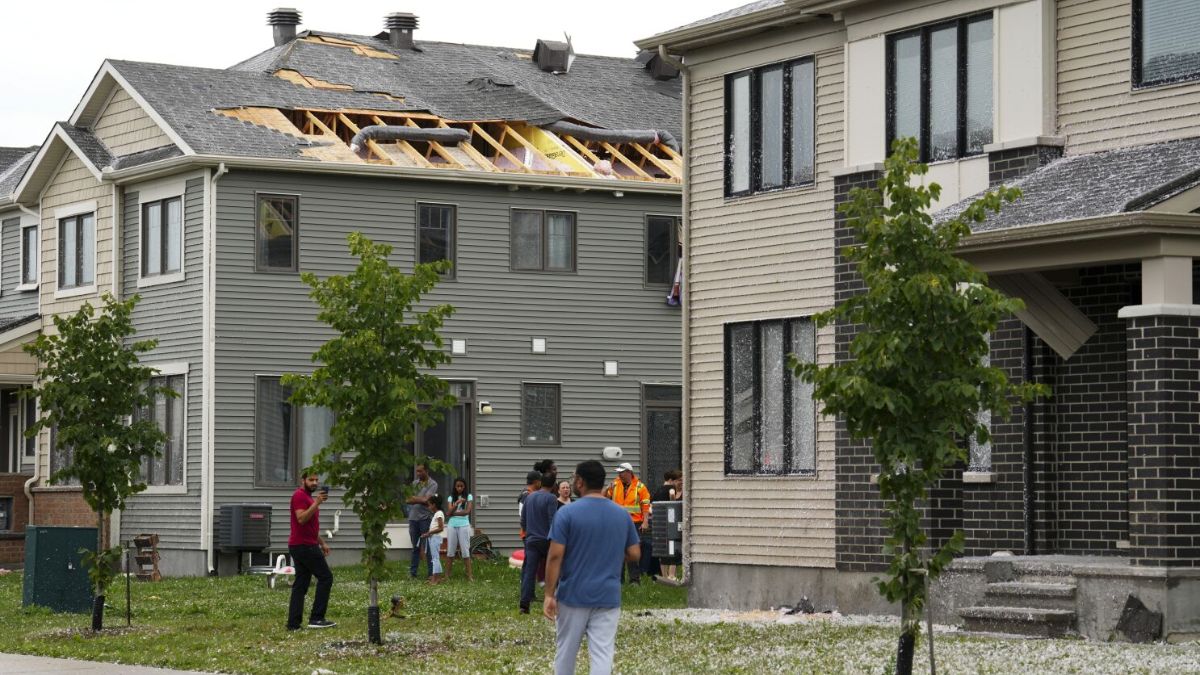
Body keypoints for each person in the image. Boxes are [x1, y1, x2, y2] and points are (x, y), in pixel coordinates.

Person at [544, 460, 640, 675]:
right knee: (602, 654)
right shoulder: (622, 514)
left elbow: (555, 555)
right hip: (608, 595)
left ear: (580, 482)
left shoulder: (567, 513)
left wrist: (549, 594)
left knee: (566, 651)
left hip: (573, 595)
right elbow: (635, 554)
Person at [287, 471, 336, 630]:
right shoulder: (300, 496)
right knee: (326, 577)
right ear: (303, 480)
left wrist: (322, 543)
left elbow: (310, 527)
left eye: (316, 480)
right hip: (304, 546)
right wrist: (317, 503)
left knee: (301, 584)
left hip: (303, 544)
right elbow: (301, 519)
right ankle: (317, 618)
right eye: (311, 480)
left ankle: (293, 624)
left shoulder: (308, 497)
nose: (315, 483)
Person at [519, 469, 560, 614]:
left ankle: (524, 604)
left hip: (531, 539)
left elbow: (523, 519)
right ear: (554, 485)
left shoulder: (529, 497)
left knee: (529, 572)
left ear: (541, 483)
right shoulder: (551, 499)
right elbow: (552, 521)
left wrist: (528, 531)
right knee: (554, 569)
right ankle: (556, 598)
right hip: (546, 540)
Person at [604, 462, 651, 583]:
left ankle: (634, 580)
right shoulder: (614, 484)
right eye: (618, 472)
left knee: (632, 551)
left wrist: (645, 521)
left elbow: (645, 505)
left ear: (629, 473)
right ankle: (619, 580)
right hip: (617, 522)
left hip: (634, 523)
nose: (619, 474)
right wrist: (606, 488)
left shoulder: (640, 487)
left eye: (621, 472)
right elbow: (604, 498)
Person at [406, 463, 438, 579]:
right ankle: (413, 573)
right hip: (413, 519)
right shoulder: (414, 484)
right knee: (415, 547)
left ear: (426, 471)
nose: (418, 473)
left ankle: (431, 574)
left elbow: (427, 500)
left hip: (425, 519)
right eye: (417, 471)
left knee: (428, 547)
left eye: (420, 471)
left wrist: (415, 499)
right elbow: (407, 499)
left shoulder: (433, 484)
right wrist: (419, 499)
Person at [651, 469, 683, 580]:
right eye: (677, 481)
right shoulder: (670, 488)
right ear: (671, 480)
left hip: (659, 522)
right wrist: (673, 503)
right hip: (670, 521)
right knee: (672, 547)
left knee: (662, 550)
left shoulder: (658, 490)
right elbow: (672, 494)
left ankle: (664, 575)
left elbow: (652, 505)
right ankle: (671, 575)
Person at [445, 478, 474, 581]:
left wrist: (453, 513)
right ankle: (447, 575)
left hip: (464, 525)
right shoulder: (450, 498)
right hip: (452, 525)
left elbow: (467, 511)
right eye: (458, 486)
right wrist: (456, 503)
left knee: (465, 551)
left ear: (464, 486)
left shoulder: (469, 496)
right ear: (455, 486)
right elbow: (449, 511)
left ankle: (469, 576)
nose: (459, 488)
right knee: (450, 551)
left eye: (461, 486)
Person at [420, 495, 445, 585]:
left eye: (429, 505)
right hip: (433, 538)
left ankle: (434, 579)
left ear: (434, 505)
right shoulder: (437, 514)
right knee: (435, 558)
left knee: (435, 559)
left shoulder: (439, 514)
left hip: (435, 538)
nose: (428, 507)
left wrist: (429, 533)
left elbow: (441, 528)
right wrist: (428, 534)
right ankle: (437, 577)